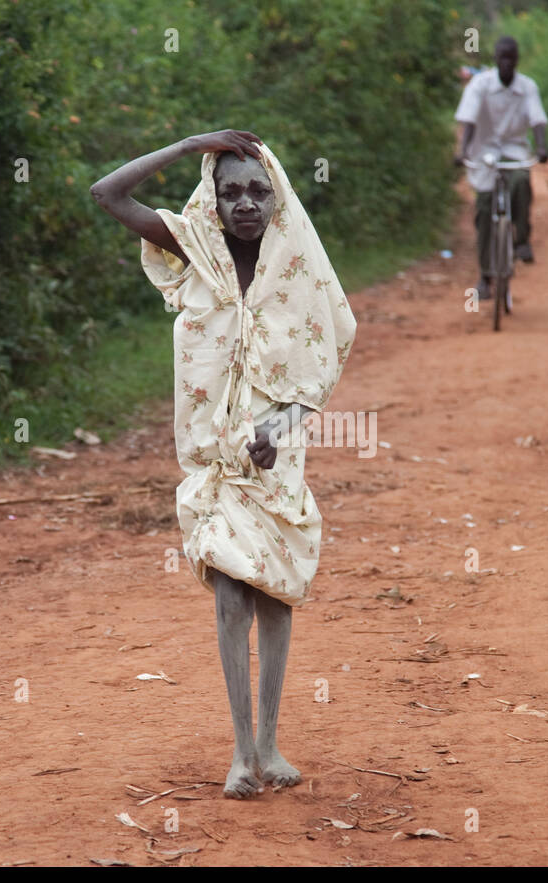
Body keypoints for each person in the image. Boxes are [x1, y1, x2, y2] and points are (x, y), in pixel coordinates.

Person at [90, 130, 356, 798]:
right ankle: (242, 754)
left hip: (275, 458)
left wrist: (284, 426)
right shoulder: (194, 247)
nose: (245, 204)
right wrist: (189, 146)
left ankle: (270, 743)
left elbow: (320, 367)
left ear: (278, 199)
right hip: (212, 462)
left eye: (258, 191)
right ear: (212, 197)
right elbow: (107, 193)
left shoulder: (296, 270)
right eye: (230, 190)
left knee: (276, 592)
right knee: (232, 592)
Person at [453, 35, 548, 301]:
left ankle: (522, 241)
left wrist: (542, 147)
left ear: (517, 60)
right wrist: (462, 152)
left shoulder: (527, 86)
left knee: (520, 179)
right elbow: (468, 120)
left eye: (511, 57)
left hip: (514, 149)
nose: (507, 62)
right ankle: (485, 277)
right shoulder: (479, 85)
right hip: (483, 152)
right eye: (502, 57)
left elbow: (538, 119)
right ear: (495, 59)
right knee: (484, 210)